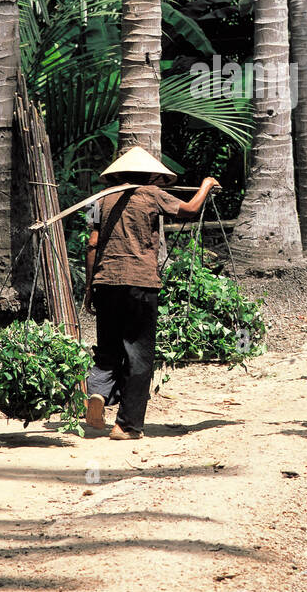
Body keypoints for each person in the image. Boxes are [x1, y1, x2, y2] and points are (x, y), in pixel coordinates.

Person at [82, 146, 220, 439]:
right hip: (140, 283)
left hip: (106, 282)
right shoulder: (151, 194)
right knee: (138, 354)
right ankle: (126, 426)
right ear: (149, 174)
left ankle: (97, 395)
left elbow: (92, 244)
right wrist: (206, 185)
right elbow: (190, 210)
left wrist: (90, 287)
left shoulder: (100, 200)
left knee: (107, 349)